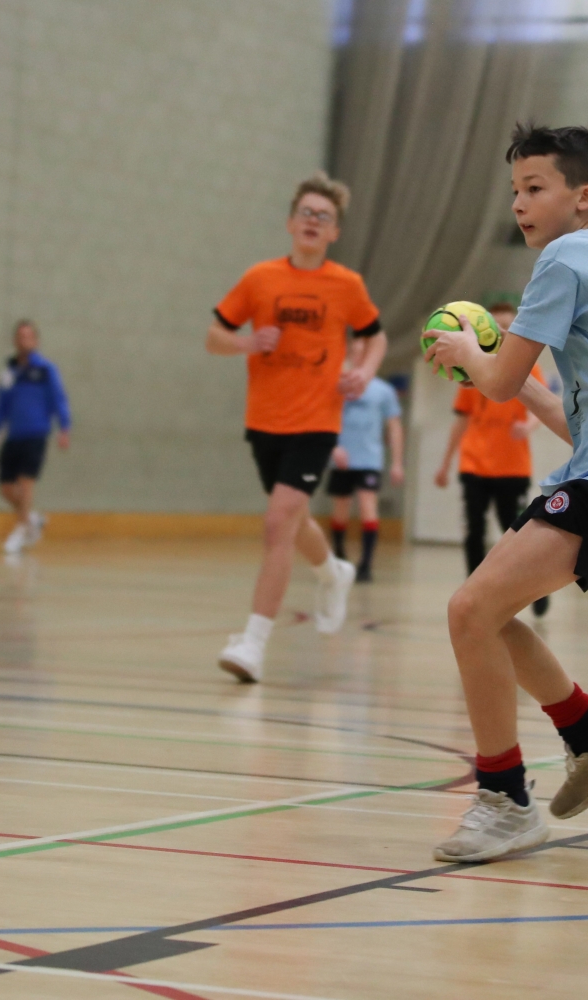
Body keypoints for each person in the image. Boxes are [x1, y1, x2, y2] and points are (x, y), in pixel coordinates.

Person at [422, 122, 588, 863]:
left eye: (536, 188)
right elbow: (576, 413)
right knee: (492, 613)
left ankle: (505, 803)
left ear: (584, 195)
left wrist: (469, 350)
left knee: (469, 608)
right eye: (514, 191)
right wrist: (508, 373)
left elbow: (499, 381)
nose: (521, 205)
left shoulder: (564, 259)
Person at [206, 172, 386, 683]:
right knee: (293, 520)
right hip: (264, 422)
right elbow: (214, 334)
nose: (312, 221)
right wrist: (245, 343)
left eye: (323, 216)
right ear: (290, 222)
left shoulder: (346, 285)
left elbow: (375, 335)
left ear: (334, 232)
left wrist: (365, 371)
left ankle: (253, 644)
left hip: (317, 422)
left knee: (276, 521)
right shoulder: (259, 278)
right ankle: (333, 572)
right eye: (306, 213)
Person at [434, 298, 552, 617]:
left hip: (512, 467)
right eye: (498, 325)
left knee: (513, 532)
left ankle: (533, 590)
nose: (503, 332)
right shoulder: (470, 369)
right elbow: (461, 419)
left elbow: (542, 408)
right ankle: (475, 590)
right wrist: (445, 463)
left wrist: (527, 427)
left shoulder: (529, 366)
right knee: (473, 529)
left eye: (509, 327)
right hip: (474, 464)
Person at [0, 319, 70, 555]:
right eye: (21, 337)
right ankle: (32, 519)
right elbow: (1, 407)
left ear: (36, 341)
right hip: (14, 435)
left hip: (36, 434)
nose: (25, 341)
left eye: (29, 336)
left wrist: (64, 427)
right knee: (5, 488)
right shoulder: (9, 373)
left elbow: (58, 399)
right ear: (14, 341)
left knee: (25, 484)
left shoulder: (46, 370)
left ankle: (21, 531)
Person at [328, 375, 404, 583]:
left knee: (368, 507)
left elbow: (394, 426)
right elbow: (324, 418)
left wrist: (397, 463)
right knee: (340, 510)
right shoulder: (337, 386)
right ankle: (339, 556)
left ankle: (366, 564)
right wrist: (333, 447)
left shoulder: (383, 390)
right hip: (342, 459)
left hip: (369, 459)